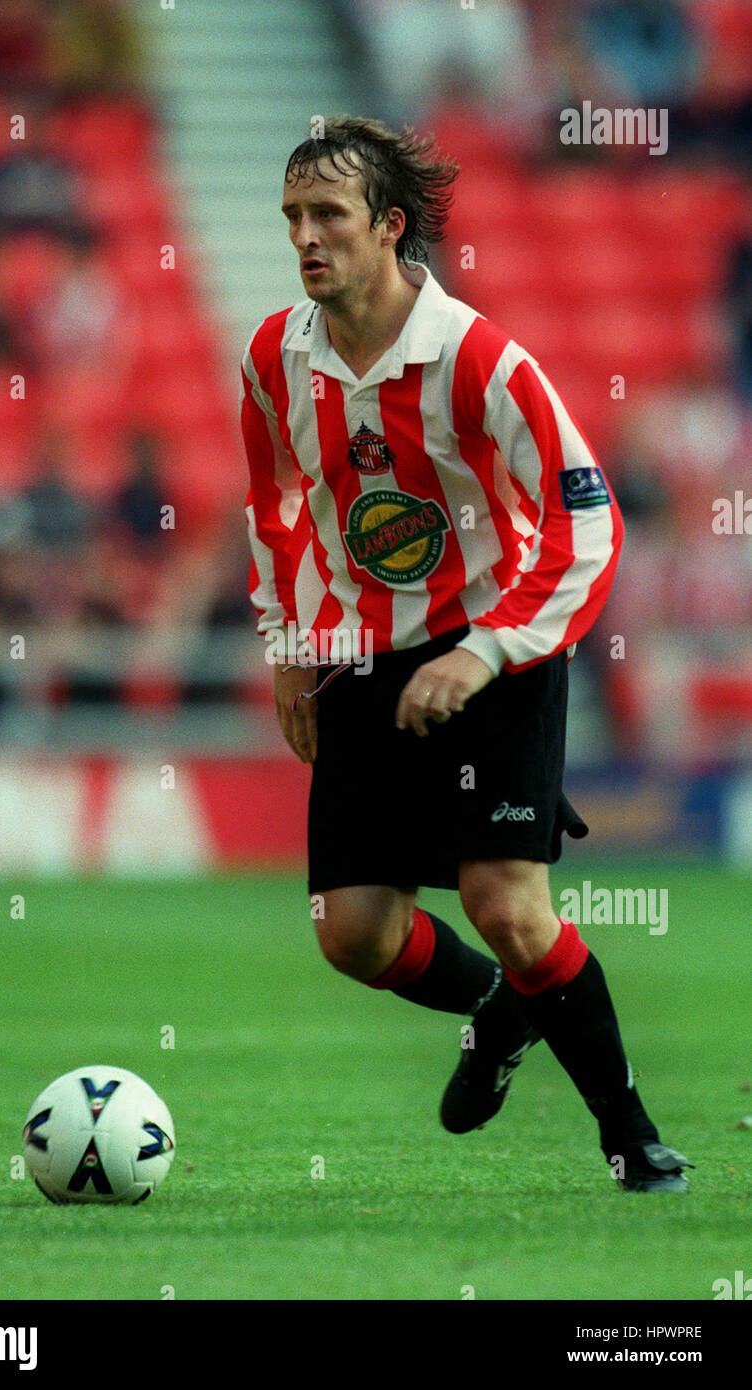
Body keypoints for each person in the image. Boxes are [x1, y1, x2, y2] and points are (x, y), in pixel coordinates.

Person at [239, 116, 691, 1193]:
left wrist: (485, 652)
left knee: (505, 902)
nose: (306, 237)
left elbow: (587, 526)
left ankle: (629, 1136)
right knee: (351, 932)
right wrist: (287, 644)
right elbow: (277, 506)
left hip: (495, 649)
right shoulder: (270, 357)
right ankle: (501, 1010)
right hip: (358, 655)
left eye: (328, 217)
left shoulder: (480, 359)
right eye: (293, 217)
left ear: (389, 227)